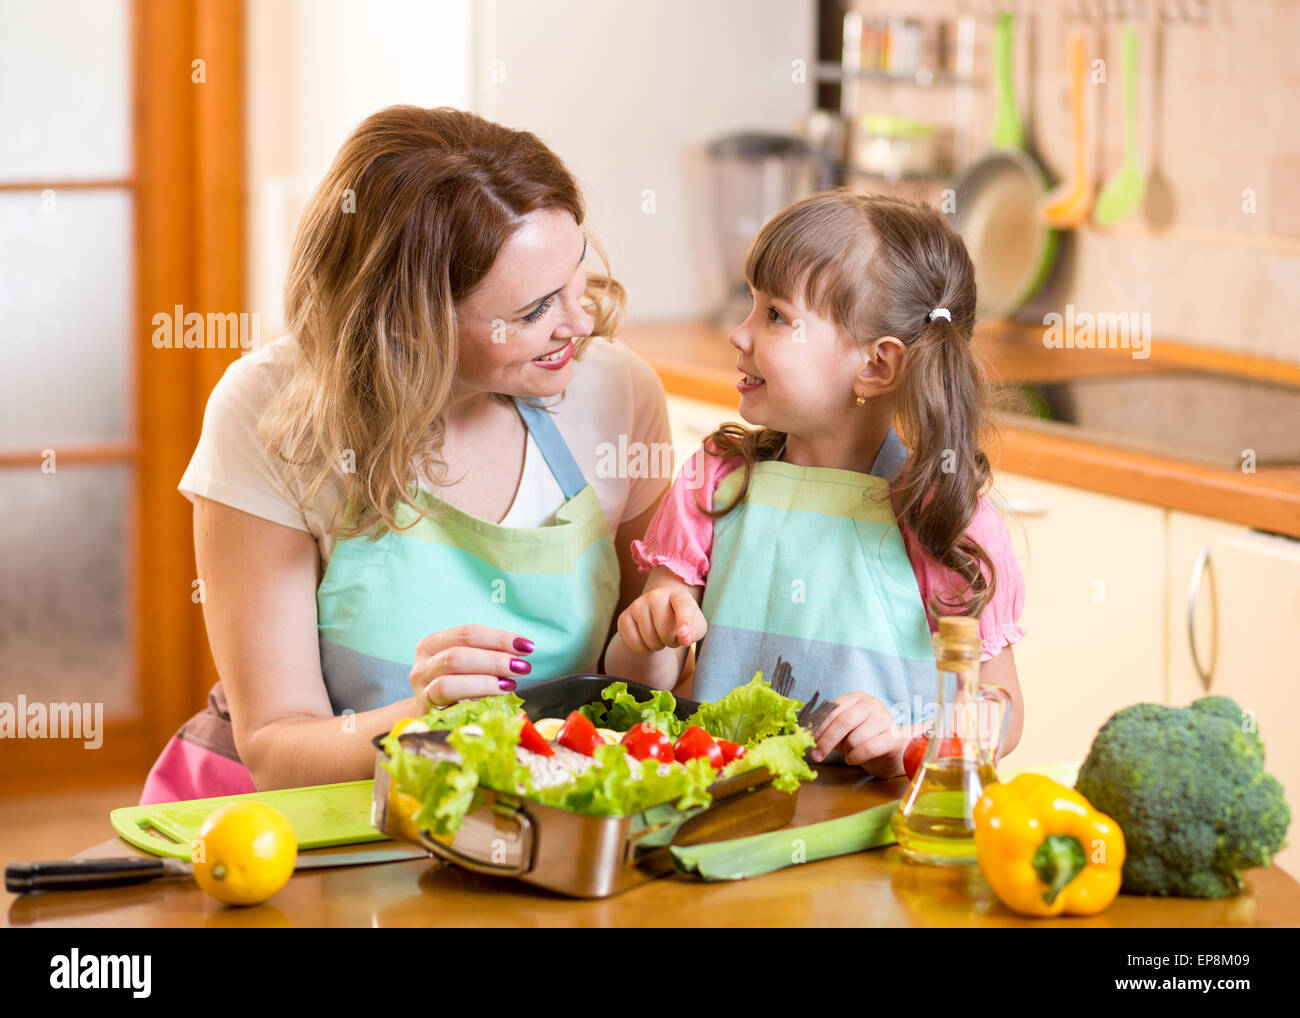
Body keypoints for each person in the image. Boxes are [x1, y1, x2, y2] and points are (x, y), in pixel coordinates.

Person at [140, 106, 674, 804]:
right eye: (537, 309)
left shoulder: (616, 393)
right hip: (305, 820)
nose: (580, 323)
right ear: (410, 322)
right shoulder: (270, 413)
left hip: (537, 820)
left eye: (576, 279)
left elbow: (644, 676)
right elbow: (273, 744)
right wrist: (418, 720)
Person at [604, 191, 1027, 779]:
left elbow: (1000, 710)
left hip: (874, 830)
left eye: (775, 315)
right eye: (751, 307)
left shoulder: (941, 515)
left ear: (876, 366)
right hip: (723, 811)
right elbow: (645, 683)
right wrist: (644, 638)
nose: (739, 334)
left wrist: (909, 739)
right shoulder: (717, 478)